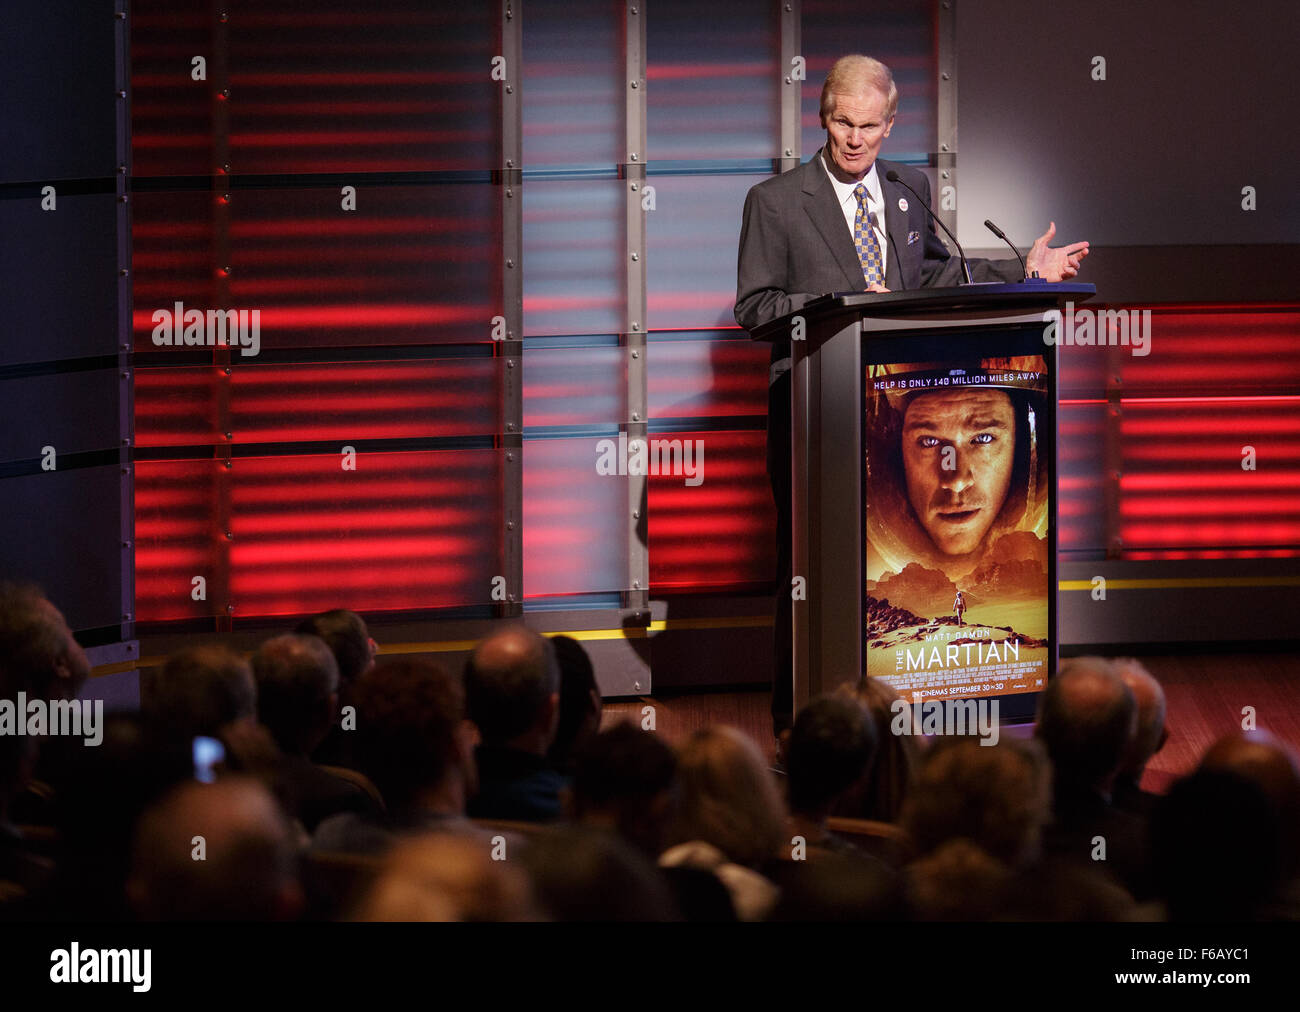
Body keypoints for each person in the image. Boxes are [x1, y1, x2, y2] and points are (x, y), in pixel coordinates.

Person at [734, 54, 1088, 737]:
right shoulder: (775, 201)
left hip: (892, 407)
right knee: (804, 570)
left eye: (870, 125)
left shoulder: (907, 187)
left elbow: (935, 271)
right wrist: (838, 303)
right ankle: (797, 728)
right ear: (823, 117)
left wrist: (1023, 269)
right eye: (842, 123)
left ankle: (908, 720)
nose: (855, 139)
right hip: (815, 413)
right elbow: (756, 306)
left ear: (891, 123)